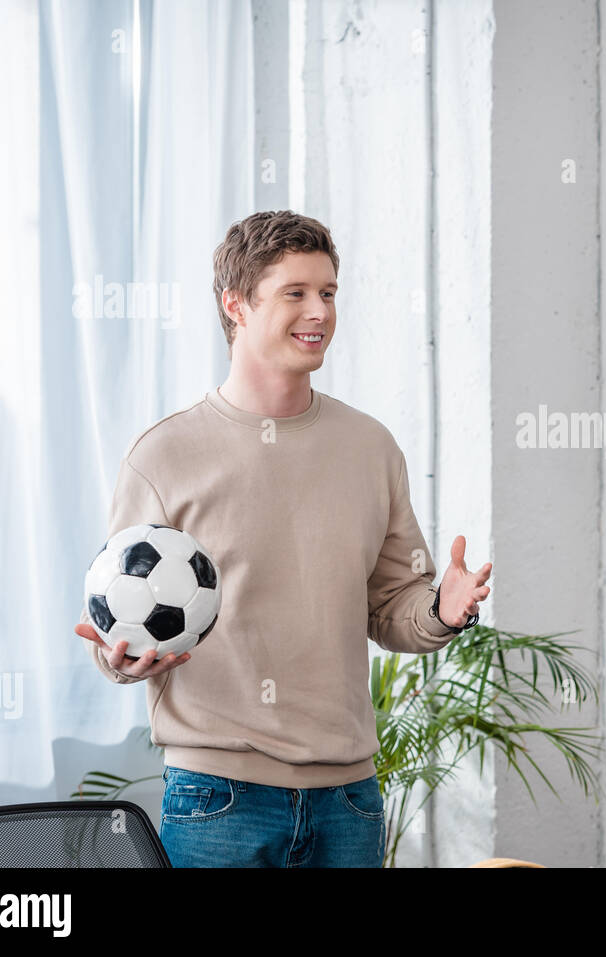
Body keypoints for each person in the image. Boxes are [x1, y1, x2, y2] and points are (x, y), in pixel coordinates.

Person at [76, 210, 492, 867]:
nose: (319, 311)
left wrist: (443, 607)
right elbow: (117, 621)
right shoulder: (164, 455)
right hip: (218, 799)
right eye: (295, 293)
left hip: (348, 797)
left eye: (328, 292)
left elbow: (392, 608)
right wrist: (120, 659)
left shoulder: (370, 447)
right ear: (235, 304)